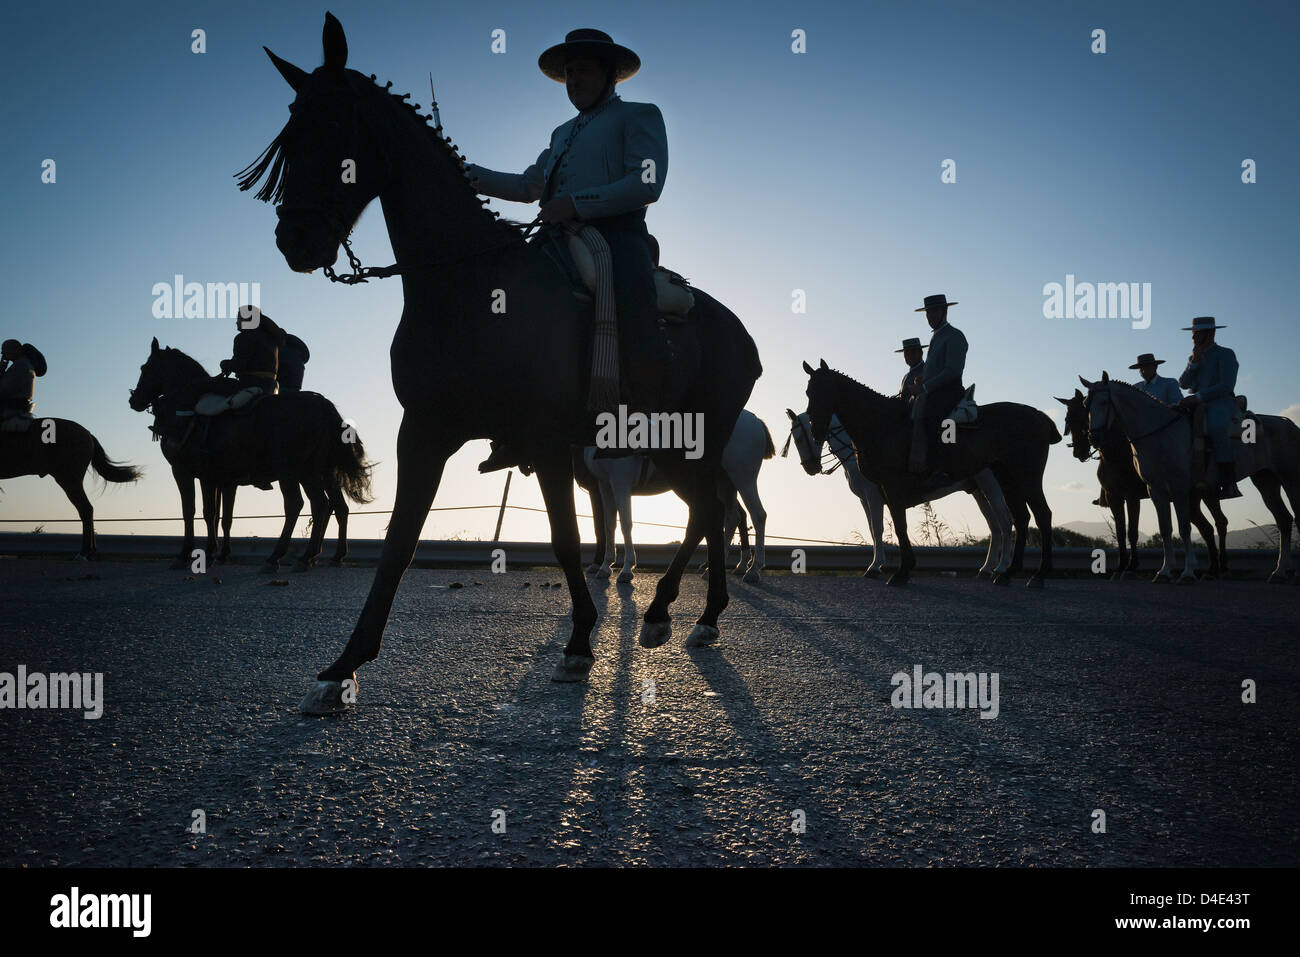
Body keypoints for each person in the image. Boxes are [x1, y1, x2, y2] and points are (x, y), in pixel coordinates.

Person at [466, 28, 668, 473]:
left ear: (610, 75)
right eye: (568, 74)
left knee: (632, 297)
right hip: (555, 237)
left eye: (582, 71)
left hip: (618, 235)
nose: (573, 81)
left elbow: (647, 182)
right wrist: (463, 172)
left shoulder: (640, 115)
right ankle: (513, 425)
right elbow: (528, 186)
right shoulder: (560, 134)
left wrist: (577, 203)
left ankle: (638, 415)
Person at [1177, 316, 1240, 499]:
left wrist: (1198, 397)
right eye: (1193, 334)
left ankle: (1228, 482)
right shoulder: (1193, 357)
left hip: (1221, 402)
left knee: (1217, 426)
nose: (1193, 338)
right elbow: (1183, 383)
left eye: (1196, 334)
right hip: (1197, 403)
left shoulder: (1226, 353)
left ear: (1209, 334)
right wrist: (1194, 363)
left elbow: (1227, 385)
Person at [908, 294, 967, 486]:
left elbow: (952, 370)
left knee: (933, 417)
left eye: (934, 312)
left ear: (944, 311)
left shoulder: (955, 336)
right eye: (928, 313)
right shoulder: (936, 338)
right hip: (933, 391)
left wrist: (924, 386)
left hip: (949, 392)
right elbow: (934, 369)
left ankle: (944, 469)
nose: (930, 317)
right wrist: (922, 378)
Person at [218, 306, 285, 396]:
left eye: (239, 318)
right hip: (271, 386)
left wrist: (224, 364)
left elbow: (239, 365)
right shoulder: (271, 339)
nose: (236, 322)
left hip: (250, 384)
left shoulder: (244, 337)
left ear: (247, 319)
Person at [0, 339, 44, 427]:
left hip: (12, 409)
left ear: (14, 350)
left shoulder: (21, 365)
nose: (2, 354)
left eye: (4, 350)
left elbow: (4, 390)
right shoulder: (21, 364)